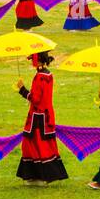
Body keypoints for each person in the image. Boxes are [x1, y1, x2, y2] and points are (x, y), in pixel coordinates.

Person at [16, 51, 68, 184]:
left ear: (38, 61)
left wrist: (22, 90)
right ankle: (41, 175)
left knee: (33, 145)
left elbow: (35, 99)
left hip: (37, 117)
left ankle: (38, 176)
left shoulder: (40, 77)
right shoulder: (49, 74)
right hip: (47, 115)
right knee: (45, 145)